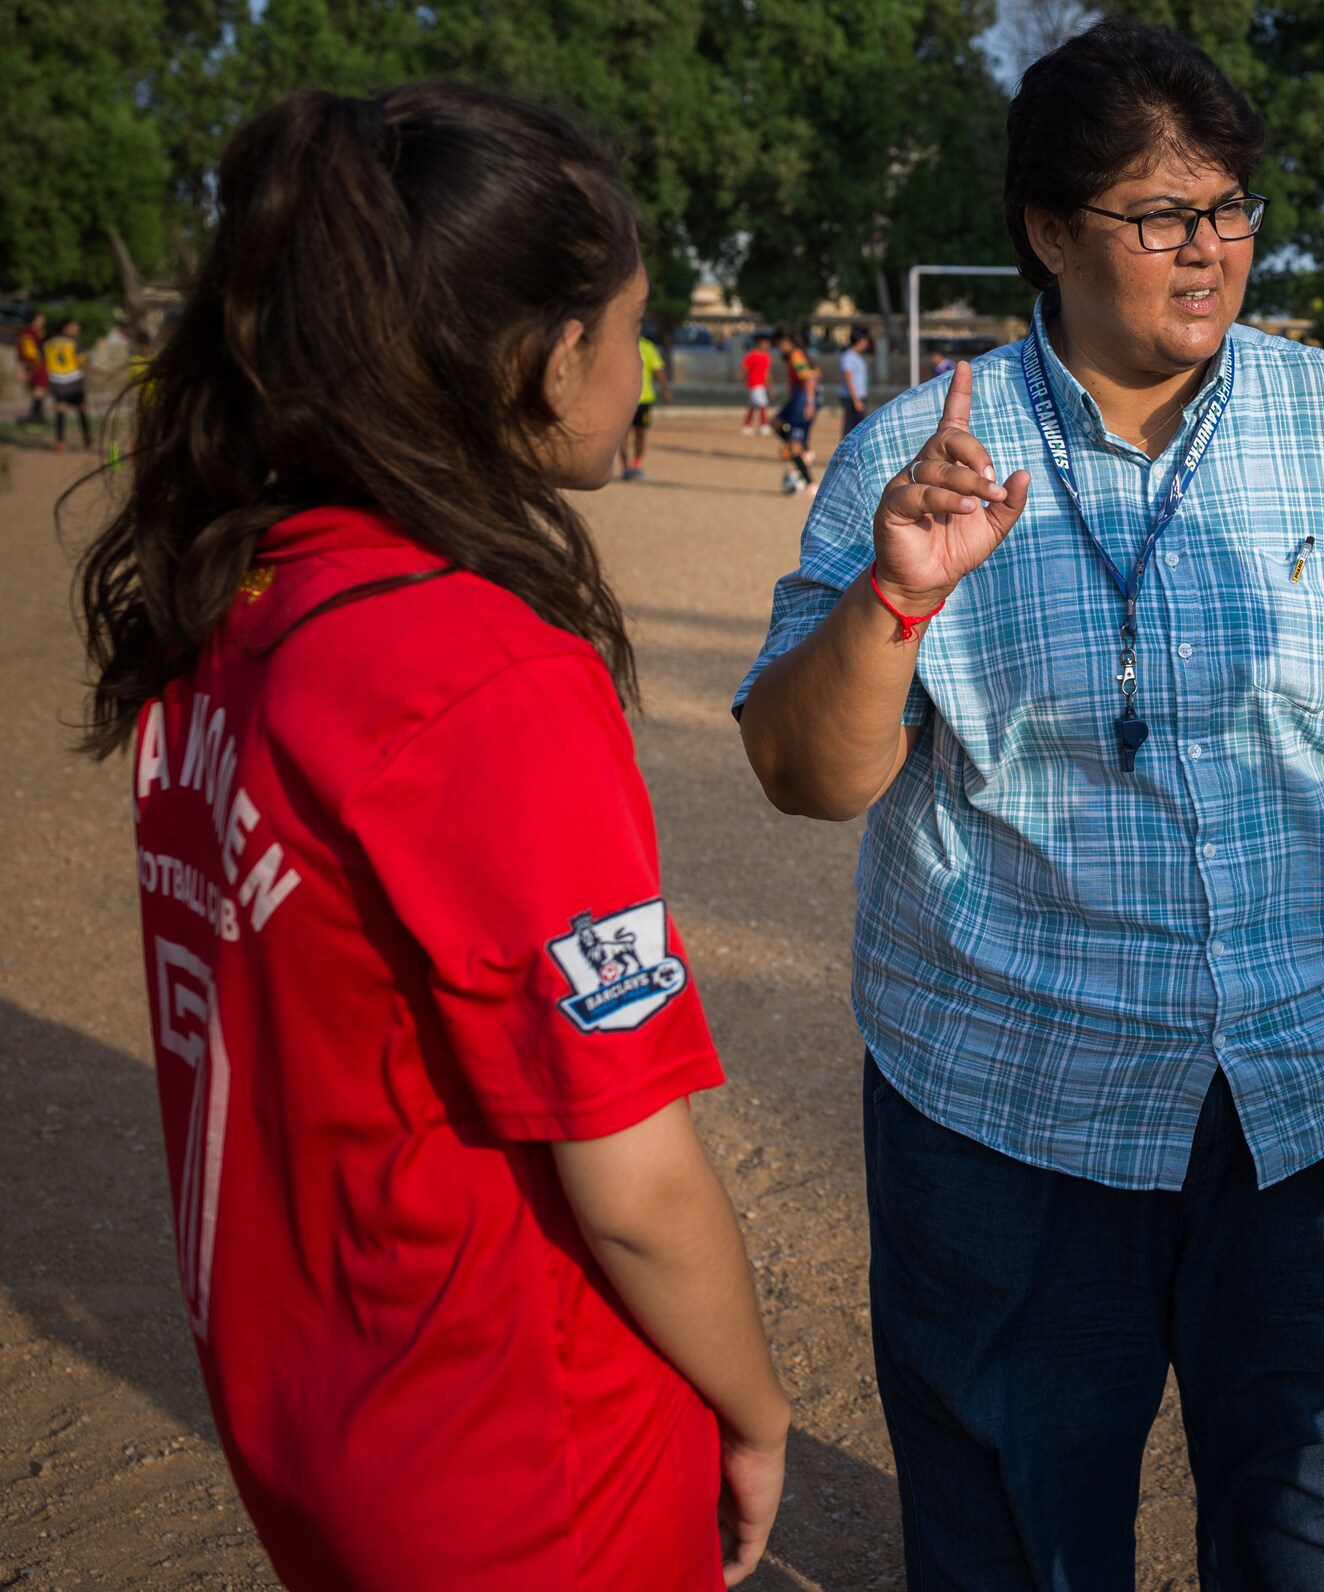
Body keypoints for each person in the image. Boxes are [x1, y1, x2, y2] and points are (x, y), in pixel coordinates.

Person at [734, 21, 1324, 1587]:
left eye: (1234, 207)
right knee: (1014, 1540)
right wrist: (892, 603)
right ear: (1048, 228)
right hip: (1009, 1110)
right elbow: (806, 777)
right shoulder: (916, 459)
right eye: (1161, 215)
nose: (1211, 252)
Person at [69, 84, 789, 1590]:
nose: (634, 365)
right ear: (542, 354)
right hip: (518, 1460)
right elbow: (634, 1178)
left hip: (315, 1419)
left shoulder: (235, 599)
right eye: (629, 322)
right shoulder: (475, 673)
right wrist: (758, 1405)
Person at [622, 325, 671, 480]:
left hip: (644, 399)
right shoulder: (620, 346)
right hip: (623, 400)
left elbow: (658, 370)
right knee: (622, 435)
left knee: (640, 434)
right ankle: (625, 467)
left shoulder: (648, 348)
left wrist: (665, 389)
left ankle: (637, 466)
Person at [775, 327, 819, 496]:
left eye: (779, 343)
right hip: (795, 401)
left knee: (793, 449)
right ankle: (803, 450)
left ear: (787, 342)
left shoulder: (796, 355)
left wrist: (809, 402)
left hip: (801, 402)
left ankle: (811, 484)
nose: (778, 347)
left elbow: (808, 378)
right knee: (775, 423)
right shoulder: (794, 356)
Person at [43, 316, 91, 452]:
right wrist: (101, 372)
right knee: (81, 409)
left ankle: (60, 442)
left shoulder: (48, 342)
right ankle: (87, 439)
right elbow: (81, 363)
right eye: (75, 326)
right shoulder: (74, 342)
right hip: (74, 379)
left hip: (57, 380)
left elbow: (43, 361)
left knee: (60, 409)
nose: (78, 329)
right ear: (66, 328)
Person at [839, 327, 873, 440]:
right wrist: (855, 399)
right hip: (852, 398)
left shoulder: (856, 356)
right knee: (850, 428)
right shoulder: (849, 356)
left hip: (859, 396)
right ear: (860, 340)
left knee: (859, 428)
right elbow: (848, 378)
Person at [14, 310, 46, 425]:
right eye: (41, 318)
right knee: (39, 389)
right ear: (34, 319)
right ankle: (36, 417)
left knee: (38, 390)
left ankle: (36, 416)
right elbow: (24, 353)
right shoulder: (29, 334)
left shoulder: (38, 332)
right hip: (36, 364)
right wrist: (23, 369)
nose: (43, 320)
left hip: (36, 364)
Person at [739, 333, 773, 433]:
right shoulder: (752, 355)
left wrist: (770, 386)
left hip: (761, 384)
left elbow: (767, 372)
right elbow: (744, 366)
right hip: (754, 383)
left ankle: (746, 426)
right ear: (759, 344)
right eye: (765, 343)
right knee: (763, 403)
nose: (767, 346)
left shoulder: (767, 357)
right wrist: (741, 374)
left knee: (752, 405)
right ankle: (764, 425)